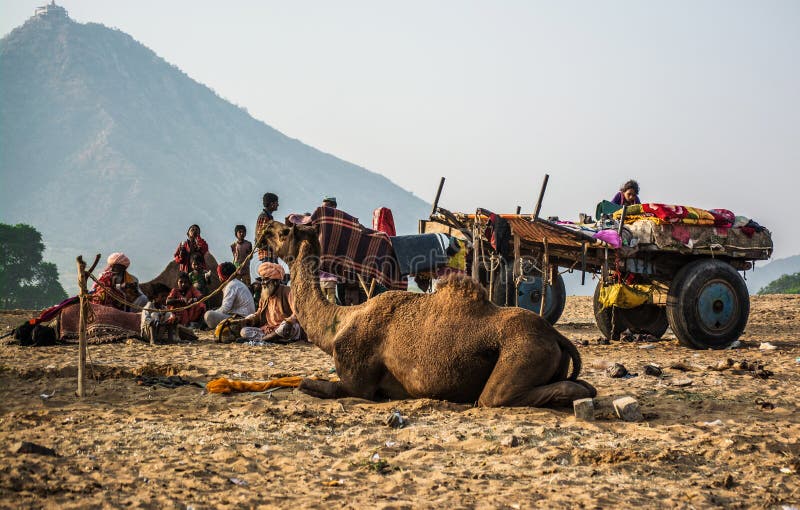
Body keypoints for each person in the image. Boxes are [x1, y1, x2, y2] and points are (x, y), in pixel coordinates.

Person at [239, 262, 301, 343]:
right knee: (244, 331)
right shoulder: (265, 294)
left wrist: (288, 321)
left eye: (265, 280)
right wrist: (250, 319)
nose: (262, 283)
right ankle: (272, 339)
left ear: (275, 282)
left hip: (285, 328)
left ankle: (265, 339)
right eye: (262, 279)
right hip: (269, 330)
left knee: (288, 326)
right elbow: (259, 312)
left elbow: (296, 313)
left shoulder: (288, 291)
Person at [203, 262, 256, 329]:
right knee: (214, 311)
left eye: (219, 274)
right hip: (243, 317)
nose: (218, 276)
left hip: (242, 319)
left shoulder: (231, 286)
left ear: (222, 276)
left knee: (208, 315)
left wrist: (214, 312)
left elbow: (225, 308)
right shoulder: (236, 283)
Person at [255, 193, 279, 263]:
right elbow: (261, 236)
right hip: (267, 254)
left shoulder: (269, 217)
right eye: (276, 203)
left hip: (271, 254)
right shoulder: (264, 217)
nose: (278, 205)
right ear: (272, 204)